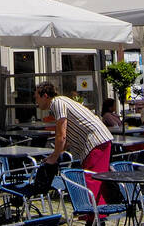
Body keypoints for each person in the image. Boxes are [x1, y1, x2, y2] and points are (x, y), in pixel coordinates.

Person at [10, 83, 114, 214]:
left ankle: (95, 224)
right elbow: (66, 137)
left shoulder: (58, 103)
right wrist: (56, 154)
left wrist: (54, 157)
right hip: (96, 142)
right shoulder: (61, 102)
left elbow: (61, 135)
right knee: (92, 181)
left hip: (95, 141)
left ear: (45, 96)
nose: (35, 101)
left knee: (92, 182)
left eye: (36, 97)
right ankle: (93, 222)